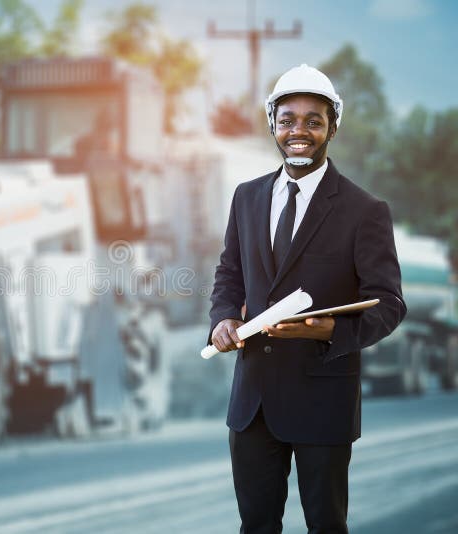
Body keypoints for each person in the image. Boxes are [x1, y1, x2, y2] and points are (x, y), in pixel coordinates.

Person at [208, 64, 407, 533]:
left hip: (323, 400)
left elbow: (388, 302)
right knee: (256, 526)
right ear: (273, 125)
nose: (299, 131)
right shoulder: (247, 197)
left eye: (313, 121)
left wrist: (333, 330)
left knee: (325, 525)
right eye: (288, 119)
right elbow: (229, 274)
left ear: (332, 127)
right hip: (253, 401)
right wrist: (220, 318)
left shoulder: (365, 211)